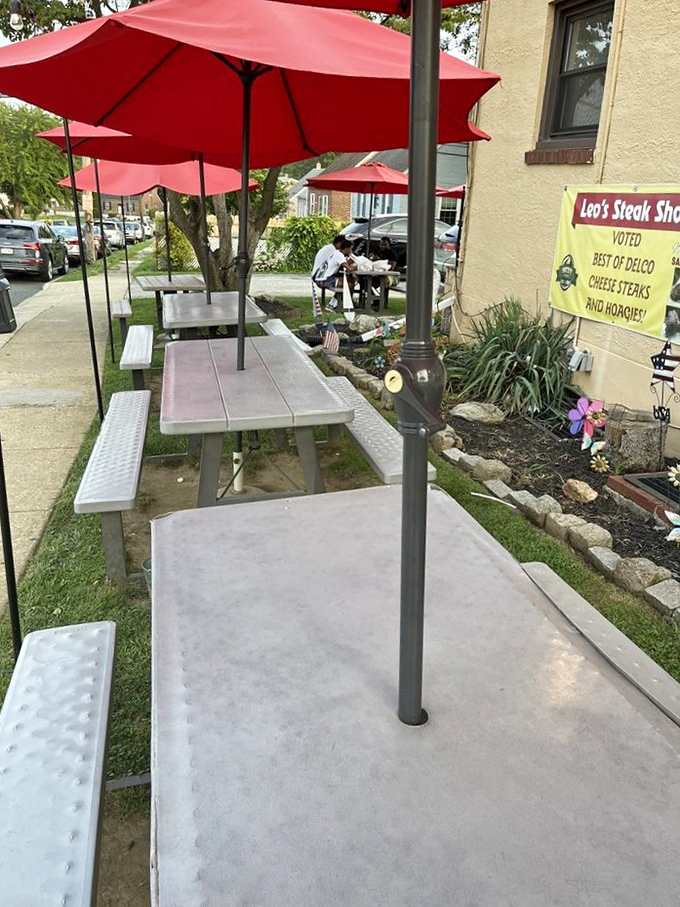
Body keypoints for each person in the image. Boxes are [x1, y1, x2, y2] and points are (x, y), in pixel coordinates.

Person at [314, 238, 356, 306]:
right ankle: (345, 305)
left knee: (350, 280)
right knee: (349, 285)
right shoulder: (340, 255)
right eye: (350, 249)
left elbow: (343, 264)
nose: (351, 252)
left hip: (321, 278)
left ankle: (334, 303)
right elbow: (349, 269)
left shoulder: (336, 252)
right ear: (345, 248)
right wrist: (357, 266)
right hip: (324, 280)